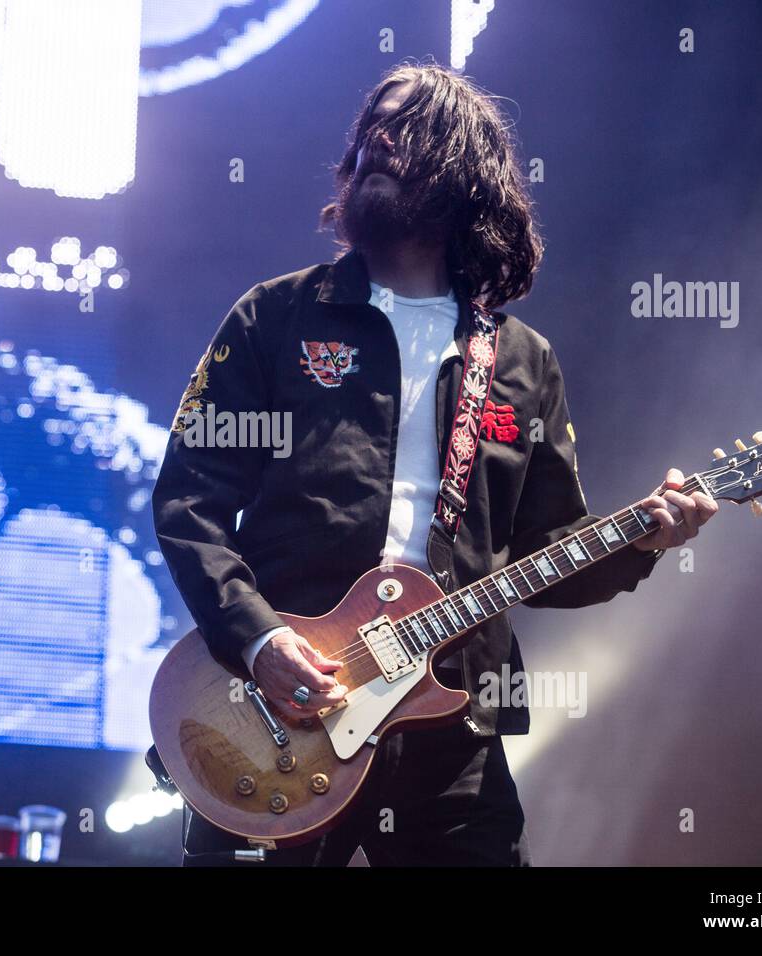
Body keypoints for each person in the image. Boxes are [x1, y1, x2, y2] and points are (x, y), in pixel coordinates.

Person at [151, 63, 718, 866]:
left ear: (465, 169)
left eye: (407, 126)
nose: (377, 139)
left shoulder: (521, 361)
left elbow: (551, 551)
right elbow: (190, 504)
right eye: (368, 129)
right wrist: (259, 641)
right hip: (282, 711)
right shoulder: (277, 316)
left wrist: (647, 540)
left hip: (452, 724)